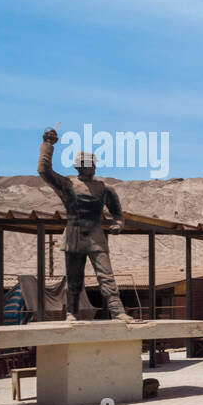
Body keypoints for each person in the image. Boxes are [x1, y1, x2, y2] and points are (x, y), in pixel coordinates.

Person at [37, 128, 132, 322]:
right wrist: (48, 144)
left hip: (96, 237)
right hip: (73, 236)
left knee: (106, 276)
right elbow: (43, 170)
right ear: (78, 167)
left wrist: (118, 224)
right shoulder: (67, 184)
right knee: (74, 279)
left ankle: (118, 311)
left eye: (91, 164)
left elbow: (118, 214)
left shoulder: (105, 189)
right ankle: (71, 313)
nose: (89, 168)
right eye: (85, 165)